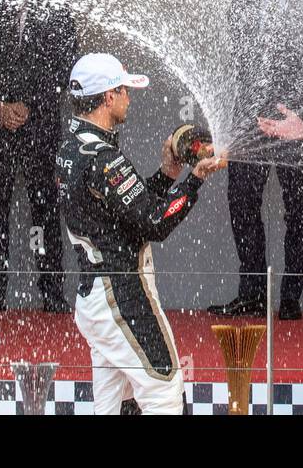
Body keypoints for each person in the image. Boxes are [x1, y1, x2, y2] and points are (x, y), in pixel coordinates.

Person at [56, 53, 226, 414]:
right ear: (107, 98)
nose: (129, 99)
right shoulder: (103, 157)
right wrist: (194, 180)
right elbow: (154, 222)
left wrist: (168, 172)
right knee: (164, 390)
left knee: (111, 405)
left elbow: (128, 211)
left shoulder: (73, 147)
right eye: (124, 91)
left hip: (95, 296)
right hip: (122, 295)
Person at [208, 0, 303, 321]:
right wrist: (254, 106)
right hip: (250, 117)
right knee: (242, 204)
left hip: (295, 120)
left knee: (299, 209)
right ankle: (252, 292)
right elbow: (240, 59)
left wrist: (300, 112)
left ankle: (290, 298)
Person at [0, 0, 79, 313]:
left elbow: (65, 66)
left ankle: (52, 290)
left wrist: (28, 105)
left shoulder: (58, 9)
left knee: (46, 208)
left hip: (40, 126)